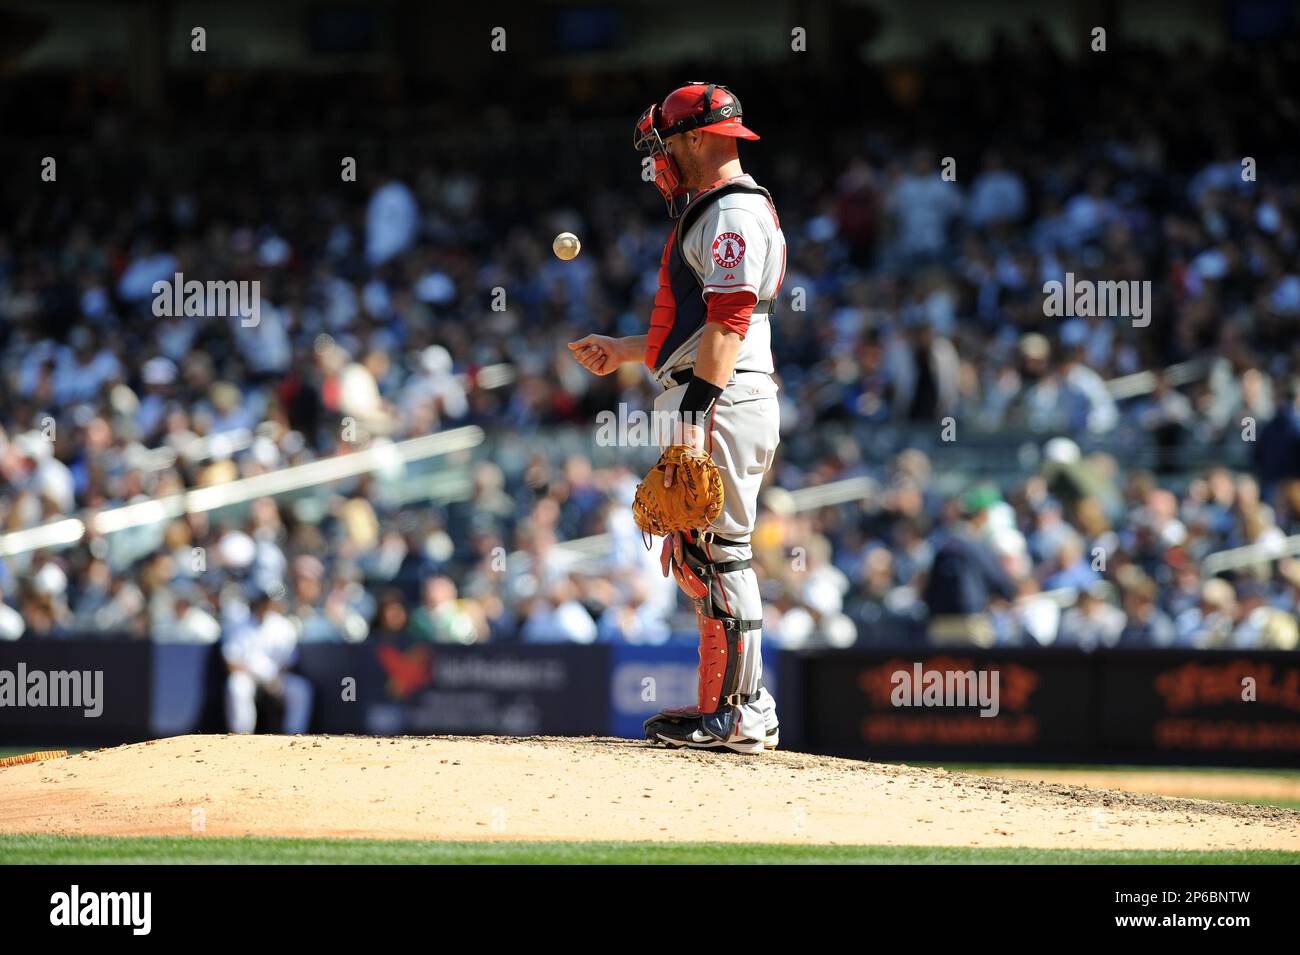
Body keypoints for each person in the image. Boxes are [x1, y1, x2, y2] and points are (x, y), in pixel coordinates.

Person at [568, 82, 784, 752]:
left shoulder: (730, 211)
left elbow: (730, 320)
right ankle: (741, 705)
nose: (660, 156)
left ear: (698, 137)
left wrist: (693, 412)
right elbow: (701, 329)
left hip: (718, 397)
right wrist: (629, 351)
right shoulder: (718, 209)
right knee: (705, 555)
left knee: (717, 555)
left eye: (666, 141)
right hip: (712, 388)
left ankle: (736, 712)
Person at [222, 588, 312, 734]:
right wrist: (253, 674)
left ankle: (295, 735)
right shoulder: (240, 625)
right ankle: (241, 735)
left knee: (300, 689)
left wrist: (276, 679)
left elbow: (289, 662)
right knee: (237, 685)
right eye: (263, 602)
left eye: (269, 603)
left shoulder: (282, 626)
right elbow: (231, 661)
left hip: (276, 678)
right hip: (248, 675)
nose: (266, 606)